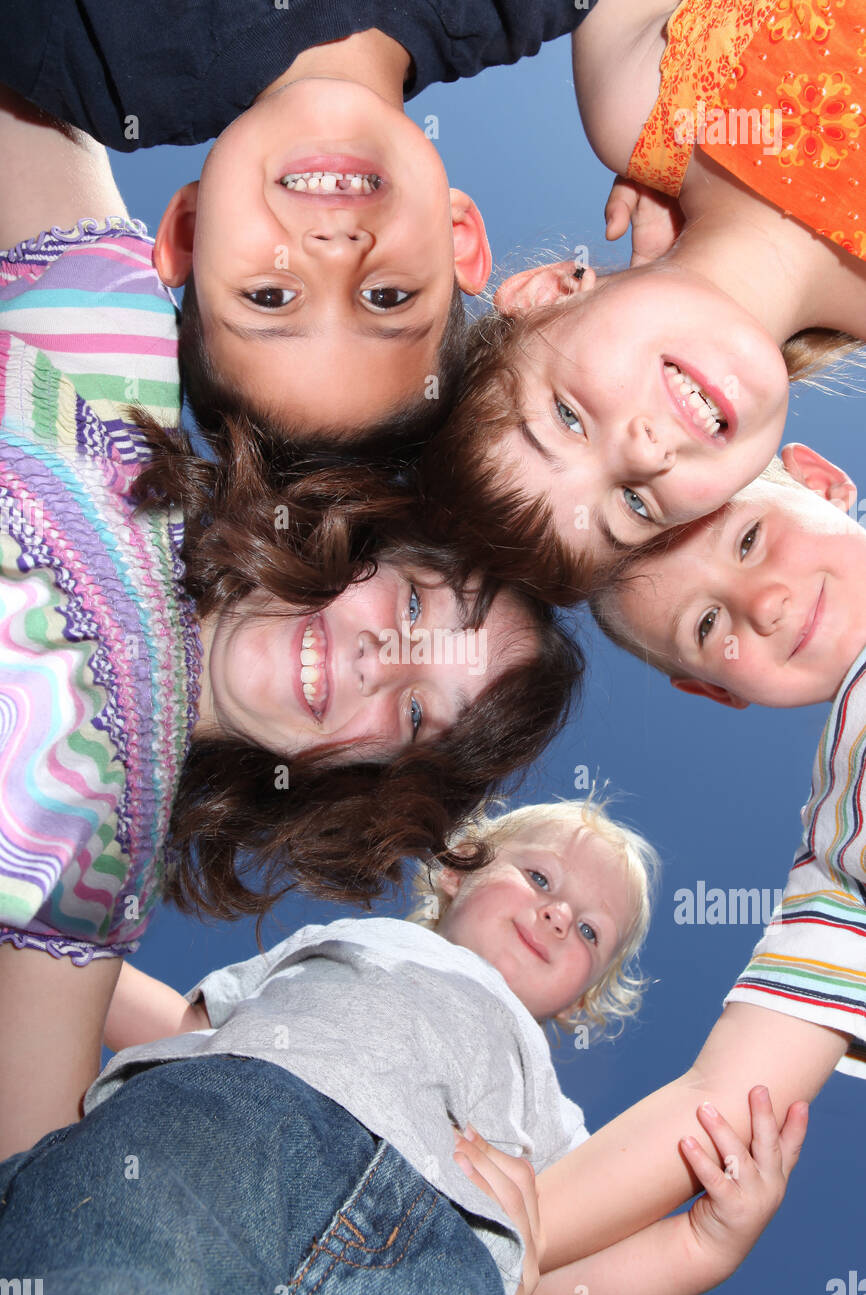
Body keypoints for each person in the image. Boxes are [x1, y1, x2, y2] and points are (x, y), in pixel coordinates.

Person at [0, 92, 581, 1162]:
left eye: (415, 710)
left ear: (357, 775)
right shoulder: (106, 364)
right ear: (358, 531)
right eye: (412, 606)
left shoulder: (86, 884)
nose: (378, 661)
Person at [0, 797, 808, 1295]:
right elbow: (184, 1028)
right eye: (538, 879)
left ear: (585, 994)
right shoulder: (355, 941)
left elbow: (559, 1281)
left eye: (591, 931)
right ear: (456, 870)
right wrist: (45, 929)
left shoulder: (555, 1123)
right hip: (231, 1129)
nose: (562, 915)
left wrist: (701, 1247)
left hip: (439, 1255)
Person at [514, 448, 865, 1277]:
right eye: (709, 626)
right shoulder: (839, 861)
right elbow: (720, 1099)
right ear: (716, 690)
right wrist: (500, 1229)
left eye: (748, 539)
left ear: (821, 483)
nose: (766, 603)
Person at [0, 2, 605, 449]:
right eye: (386, 298)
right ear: (459, 238)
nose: (333, 251)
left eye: (271, 297)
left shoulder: (84, 57)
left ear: (187, 231)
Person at [425, 0, 866, 598]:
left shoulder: (639, 99)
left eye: (567, 418)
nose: (644, 452)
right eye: (633, 504)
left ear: (547, 292)